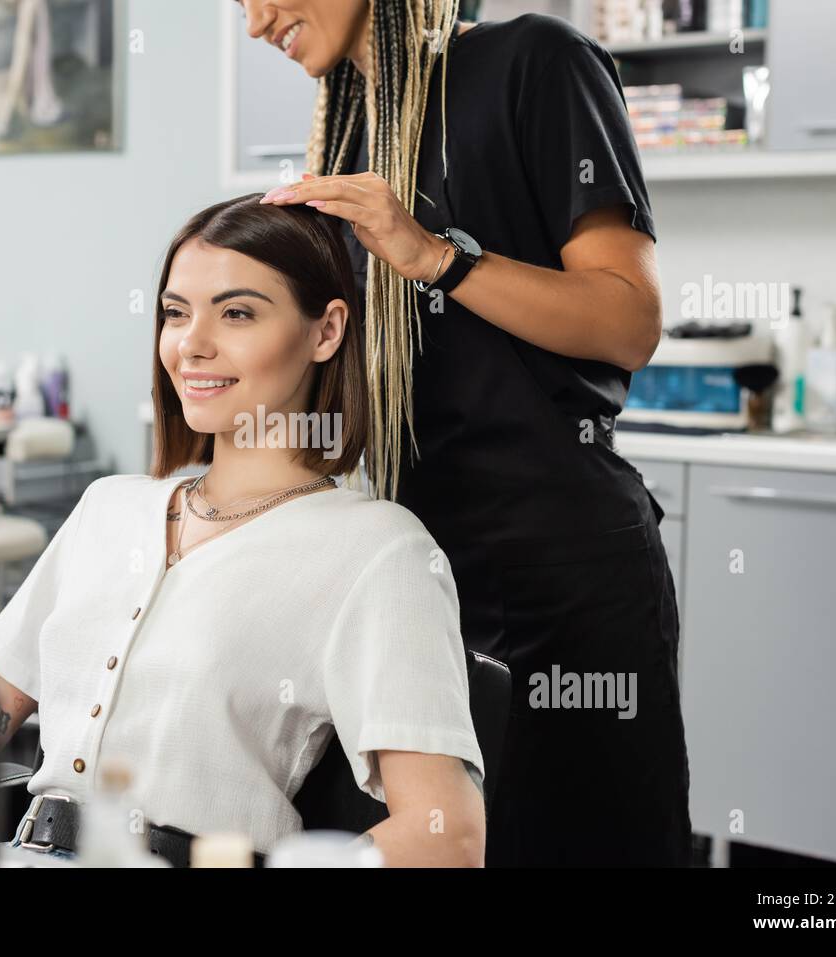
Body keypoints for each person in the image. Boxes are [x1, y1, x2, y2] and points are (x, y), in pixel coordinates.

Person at [238, 0, 692, 865]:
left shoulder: (537, 63)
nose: (256, 23)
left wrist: (436, 254)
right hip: (419, 581)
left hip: (562, 577)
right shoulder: (348, 128)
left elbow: (628, 319)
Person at [0, 194, 486, 866]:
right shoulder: (108, 507)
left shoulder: (378, 550)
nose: (192, 344)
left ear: (326, 330)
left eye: (237, 312)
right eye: (176, 313)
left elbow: (448, 833)